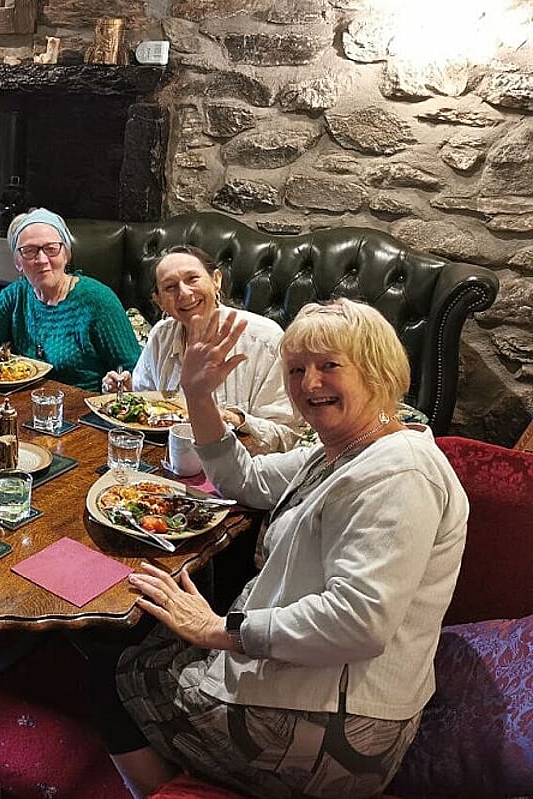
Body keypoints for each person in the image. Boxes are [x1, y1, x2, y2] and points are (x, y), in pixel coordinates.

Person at [97, 299, 467, 799]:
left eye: (329, 366)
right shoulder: (345, 448)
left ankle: (170, 790)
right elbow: (242, 480)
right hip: (321, 688)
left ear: (378, 371)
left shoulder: (399, 473)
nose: (308, 384)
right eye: (296, 369)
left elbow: (358, 622)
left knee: (111, 666)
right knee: (147, 626)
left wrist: (218, 630)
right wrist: (198, 395)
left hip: (336, 729)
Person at [103, 245, 299, 452]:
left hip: (241, 470)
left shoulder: (264, 339)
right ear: (159, 301)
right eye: (170, 287)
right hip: (168, 462)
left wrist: (236, 419)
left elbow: (289, 436)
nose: (184, 293)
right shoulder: (161, 335)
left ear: (216, 280)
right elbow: (146, 407)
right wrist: (126, 394)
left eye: (192, 279)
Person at [0, 207, 142, 392]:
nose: (41, 259)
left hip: (82, 411)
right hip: (23, 406)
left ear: (66, 255)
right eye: (30, 251)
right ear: (18, 262)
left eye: (51, 249)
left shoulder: (98, 301)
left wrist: (118, 383)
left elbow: (135, 368)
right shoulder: (16, 294)